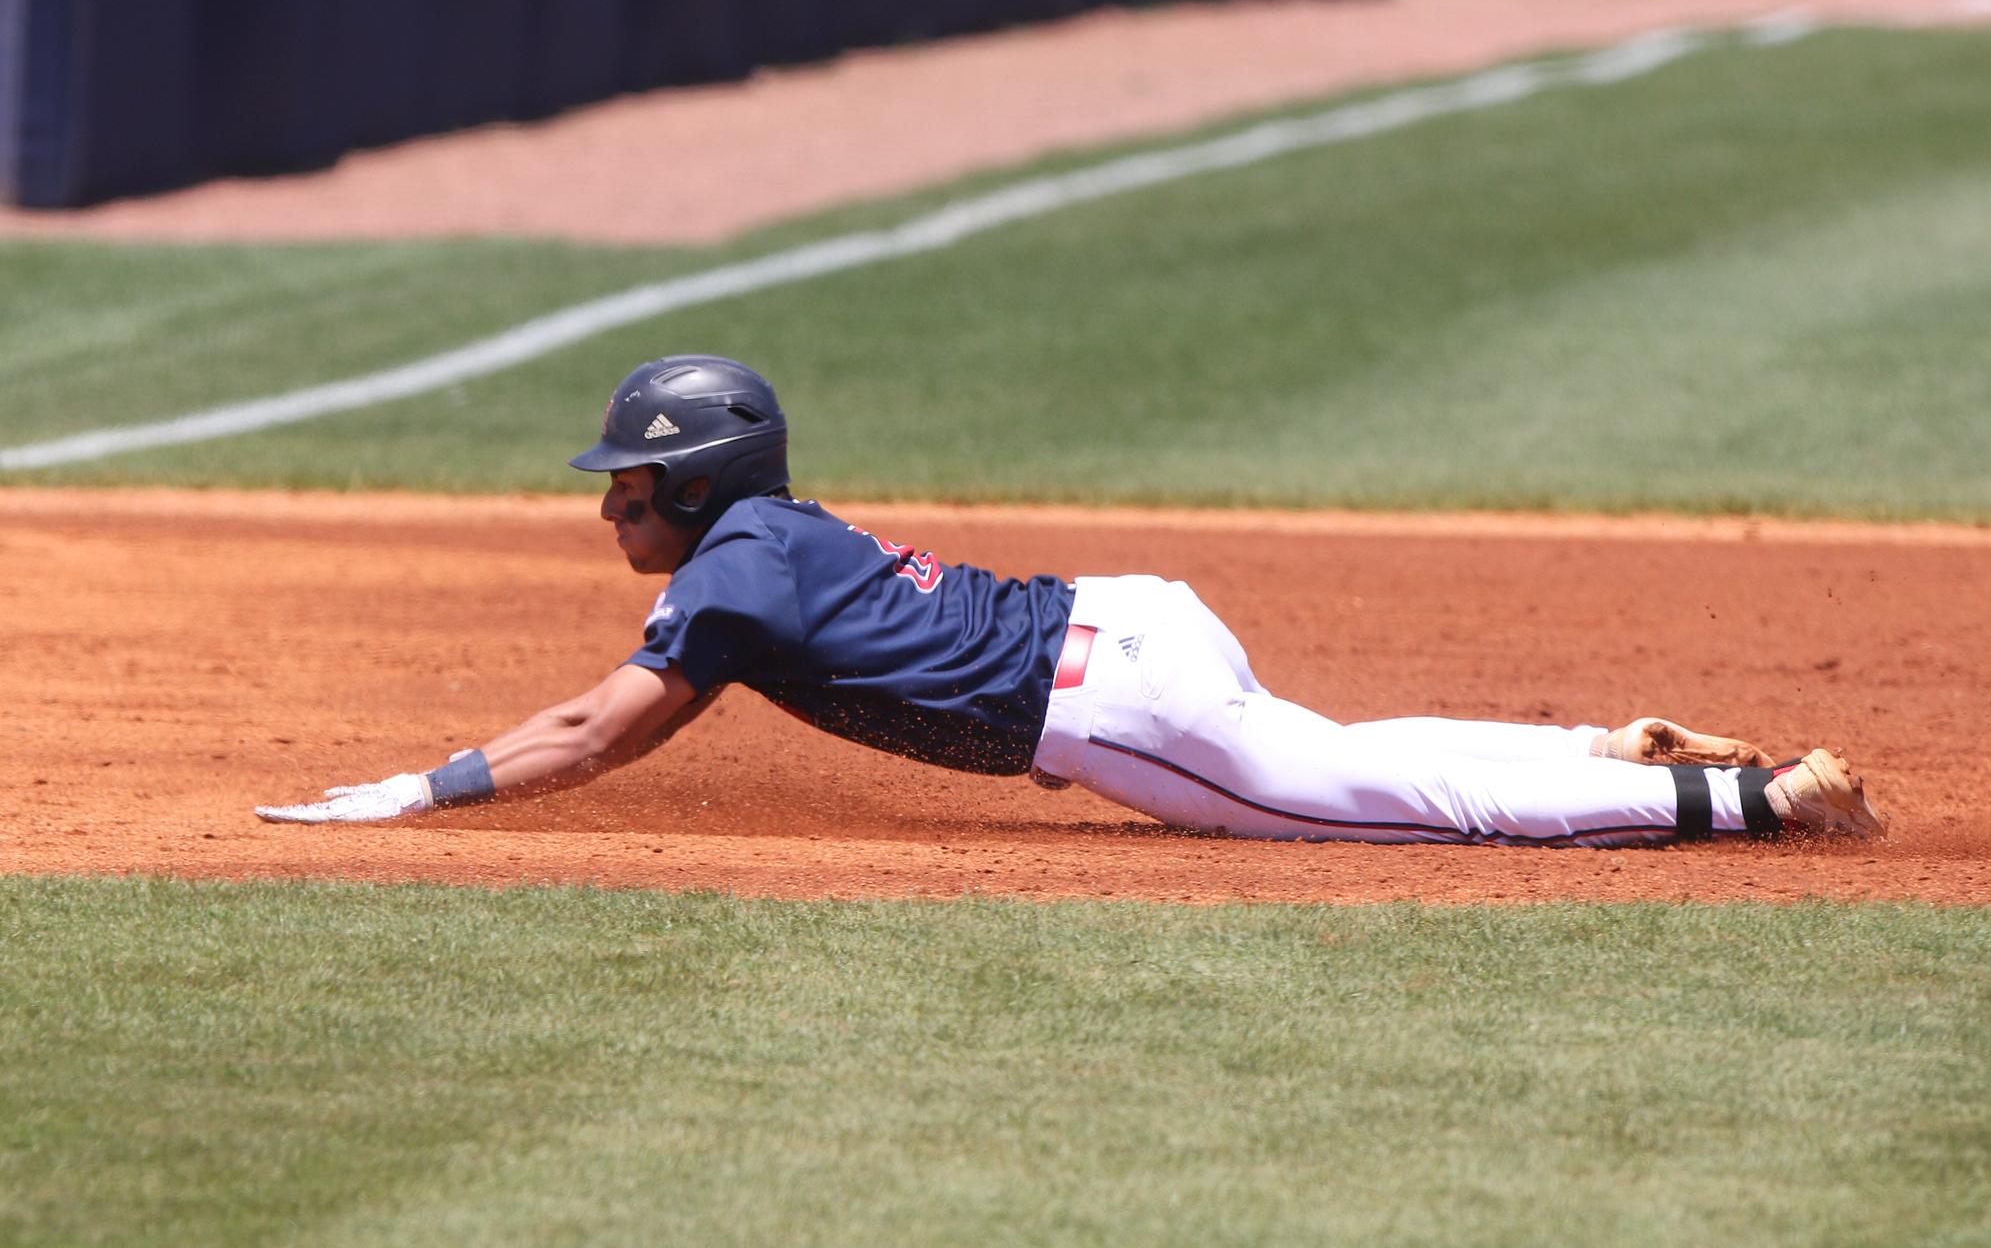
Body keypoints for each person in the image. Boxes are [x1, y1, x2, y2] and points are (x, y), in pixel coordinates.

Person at [256, 356, 1887, 844]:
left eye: (628, 479)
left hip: (1109, 704)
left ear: (693, 482)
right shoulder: (776, 537)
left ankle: (1749, 798)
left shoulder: (734, 576)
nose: (609, 501)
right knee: (1330, 752)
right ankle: (1602, 748)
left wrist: (421, 788)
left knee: (1385, 810)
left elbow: (597, 729)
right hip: (1135, 624)